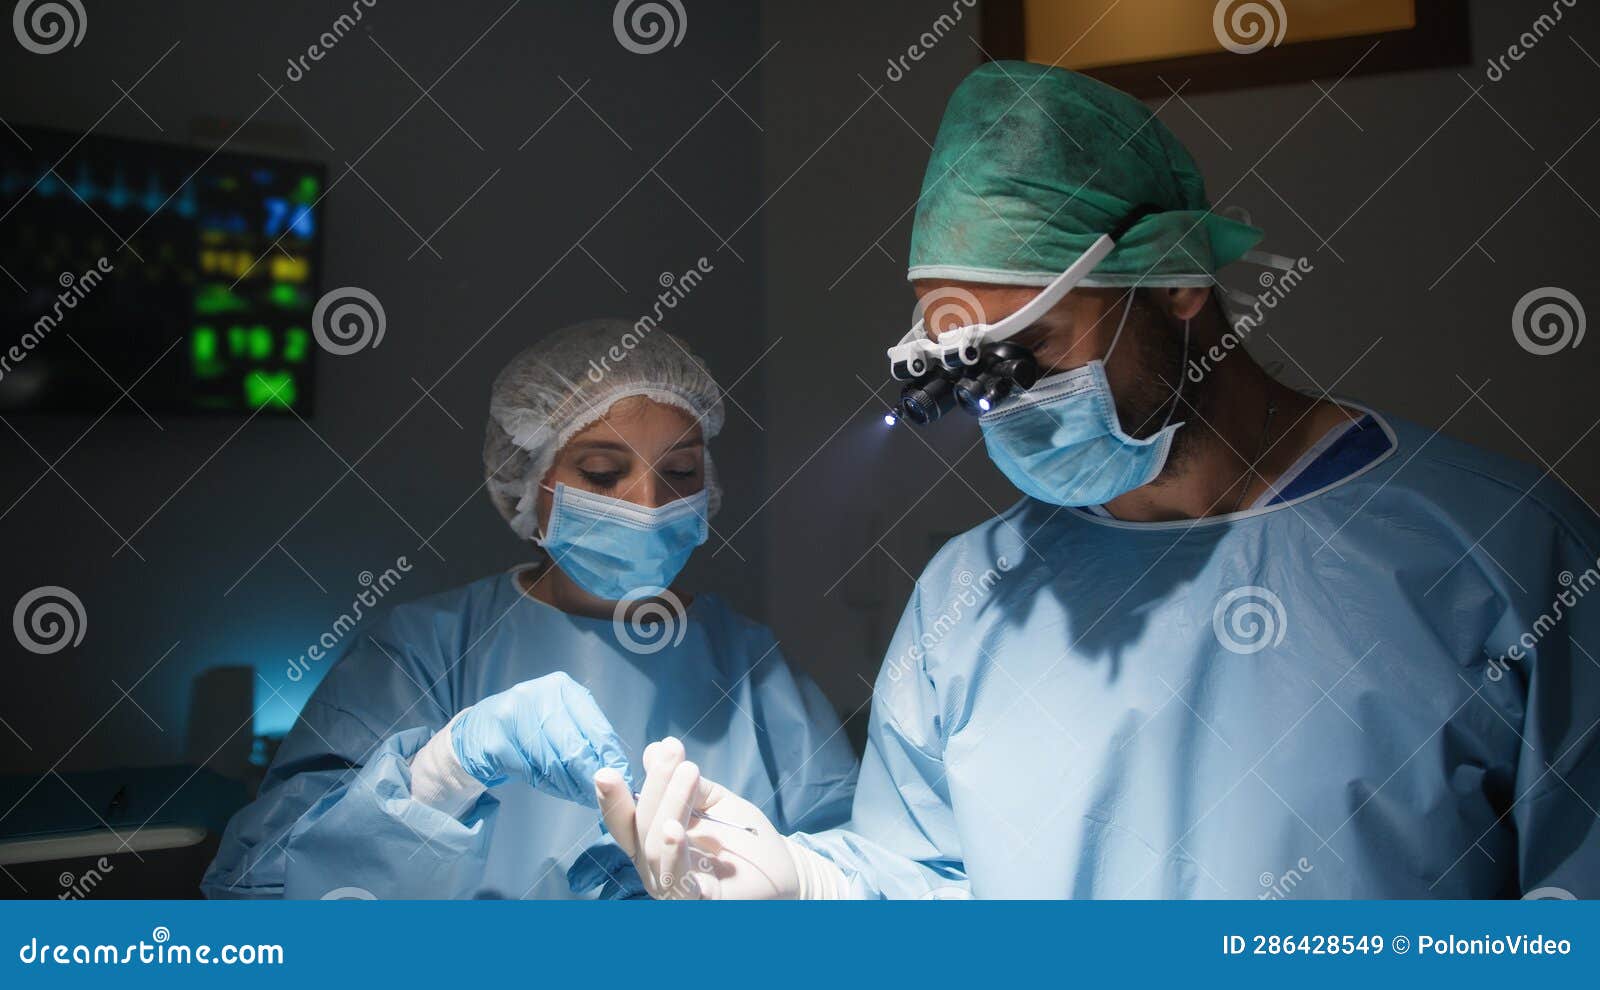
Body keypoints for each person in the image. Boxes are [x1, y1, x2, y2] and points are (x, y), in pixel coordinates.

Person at [599, 63, 1600, 899]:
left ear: (1177, 277)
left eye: (1030, 348)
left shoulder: (1503, 556)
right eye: (966, 372)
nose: (1004, 404)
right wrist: (814, 889)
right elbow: (931, 887)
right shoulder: (969, 599)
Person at [202, 319, 857, 899]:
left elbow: (861, 871)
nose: (648, 505)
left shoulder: (752, 670)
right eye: (602, 473)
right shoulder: (422, 653)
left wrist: (792, 887)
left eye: (680, 471)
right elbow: (261, 891)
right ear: (527, 482)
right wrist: (439, 775)